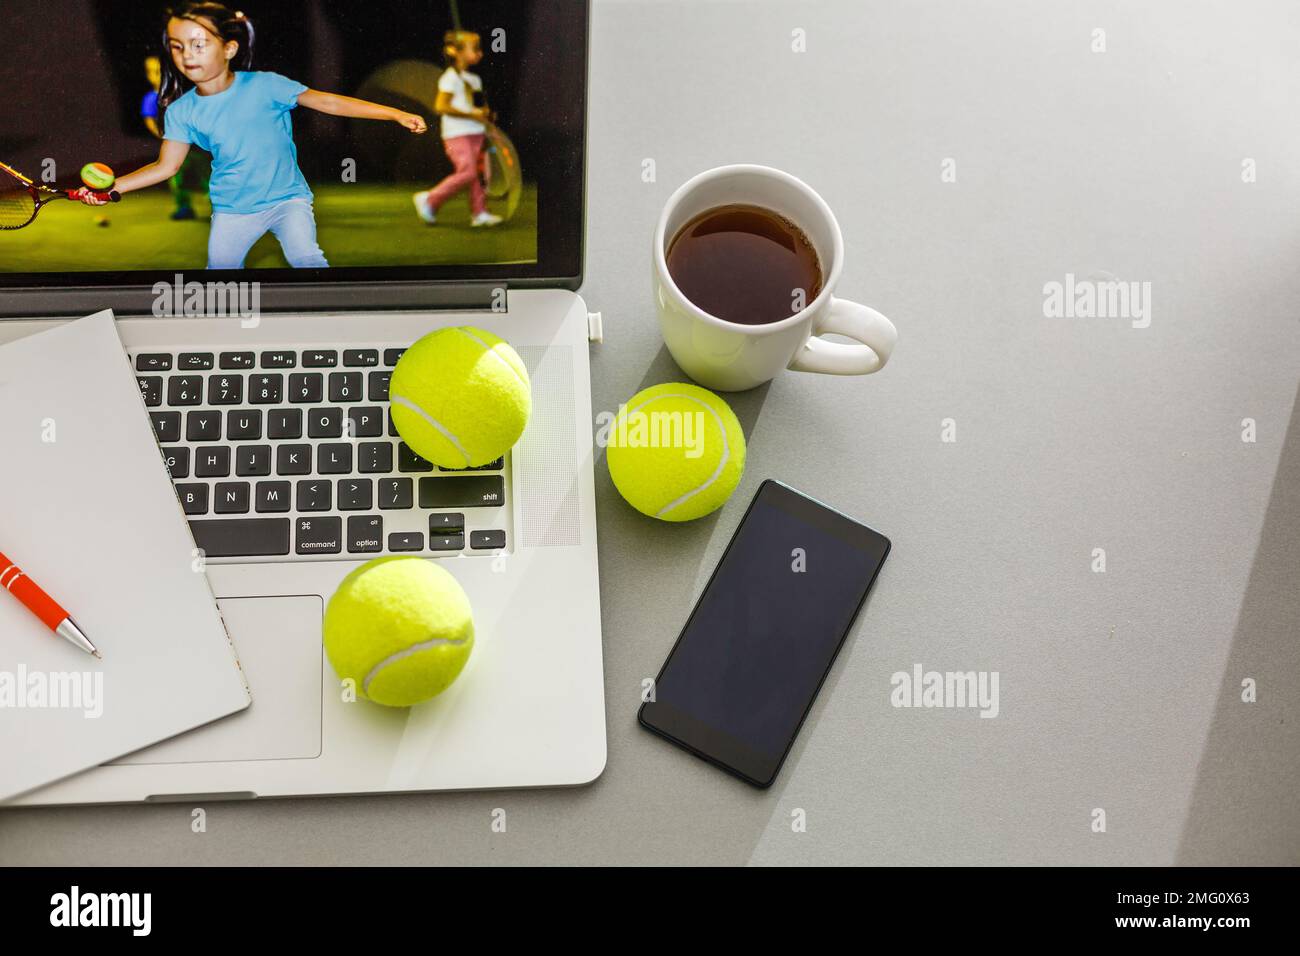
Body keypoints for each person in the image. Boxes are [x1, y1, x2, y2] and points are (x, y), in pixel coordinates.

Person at [77, 2, 428, 269]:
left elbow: (329, 103)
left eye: (199, 44)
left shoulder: (267, 86)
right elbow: (166, 167)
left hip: (287, 201)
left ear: (229, 48)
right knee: (221, 281)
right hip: (233, 211)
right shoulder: (183, 111)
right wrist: (113, 188)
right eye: (177, 46)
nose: (187, 55)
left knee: (307, 258)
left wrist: (394, 113)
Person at [411, 29, 502, 227]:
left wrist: (486, 117)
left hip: (476, 131)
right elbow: (441, 106)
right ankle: (429, 199)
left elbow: (477, 107)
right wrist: (473, 114)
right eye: (475, 48)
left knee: (480, 175)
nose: (480, 53)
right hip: (456, 134)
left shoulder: (474, 80)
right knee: (468, 172)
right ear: (454, 51)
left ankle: (479, 213)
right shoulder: (450, 78)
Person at [140, 54, 207, 221]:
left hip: (195, 144)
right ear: (148, 75)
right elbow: (150, 121)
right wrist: (163, 136)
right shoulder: (150, 99)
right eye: (153, 72)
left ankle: (223, 208)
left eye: (160, 72)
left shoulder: (180, 93)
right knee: (176, 178)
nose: (157, 76)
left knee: (207, 175)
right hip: (173, 147)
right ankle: (184, 207)